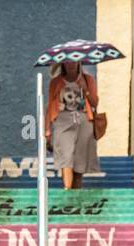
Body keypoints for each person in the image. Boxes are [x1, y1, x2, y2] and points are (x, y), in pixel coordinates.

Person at [45, 59, 101, 189]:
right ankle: (67, 189)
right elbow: (50, 106)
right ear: (63, 64)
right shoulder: (56, 82)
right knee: (66, 156)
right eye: (67, 62)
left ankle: (75, 193)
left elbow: (94, 103)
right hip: (62, 120)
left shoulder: (88, 79)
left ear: (79, 63)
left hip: (83, 119)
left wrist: (85, 89)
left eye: (74, 61)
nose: (71, 64)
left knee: (79, 163)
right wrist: (47, 129)